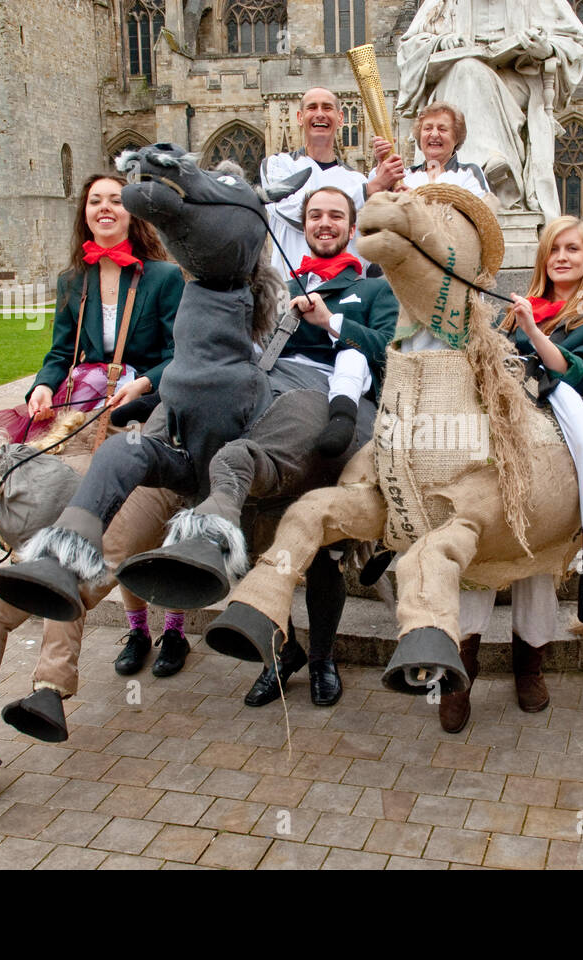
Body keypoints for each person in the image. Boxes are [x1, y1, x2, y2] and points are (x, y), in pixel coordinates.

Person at [439, 216, 583, 734]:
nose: (563, 258)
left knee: (534, 548)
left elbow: (580, 373)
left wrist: (529, 330)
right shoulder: (512, 313)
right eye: (554, 250)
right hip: (500, 427)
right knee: (482, 537)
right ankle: (461, 670)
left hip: (555, 423)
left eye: (573, 249)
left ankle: (531, 666)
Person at [25, 172, 192, 679]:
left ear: (131, 213)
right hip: (92, 411)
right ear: (85, 213)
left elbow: (180, 354)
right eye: (95, 201)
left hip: (148, 410)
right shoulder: (72, 280)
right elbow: (59, 351)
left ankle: (177, 632)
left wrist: (143, 386)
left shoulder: (164, 276)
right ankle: (138, 628)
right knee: (103, 520)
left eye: (116, 201)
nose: (105, 208)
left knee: (151, 523)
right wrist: (43, 385)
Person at [241, 185, 399, 708]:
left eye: (336, 215)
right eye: (315, 215)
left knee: (323, 547)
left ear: (351, 227)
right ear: (303, 225)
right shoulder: (280, 286)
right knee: (261, 536)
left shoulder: (375, 289)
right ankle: (282, 653)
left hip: (346, 415)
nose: (325, 223)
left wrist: (330, 322)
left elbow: (386, 351)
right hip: (277, 412)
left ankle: (324, 656)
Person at [395, 0, 583, 219]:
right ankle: (489, 166)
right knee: (468, 68)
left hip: (516, 80)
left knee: (469, 71)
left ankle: (473, 175)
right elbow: (408, 48)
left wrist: (546, 48)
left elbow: (576, 42)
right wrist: (441, 43)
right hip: (456, 77)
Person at [260, 87, 404, 278]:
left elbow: (369, 242)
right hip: (294, 291)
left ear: (340, 118)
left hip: (345, 294)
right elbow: (294, 213)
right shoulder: (278, 165)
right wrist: (368, 190)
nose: (320, 114)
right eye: (312, 107)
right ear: (300, 117)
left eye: (327, 108)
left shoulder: (356, 179)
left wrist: (385, 187)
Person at [367, 101, 490, 197]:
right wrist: (381, 166)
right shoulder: (404, 176)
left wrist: (418, 199)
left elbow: (476, 214)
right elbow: (373, 206)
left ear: (456, 137)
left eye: (442, 129)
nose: (434, 134)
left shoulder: (469, 173)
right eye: (428, 128)